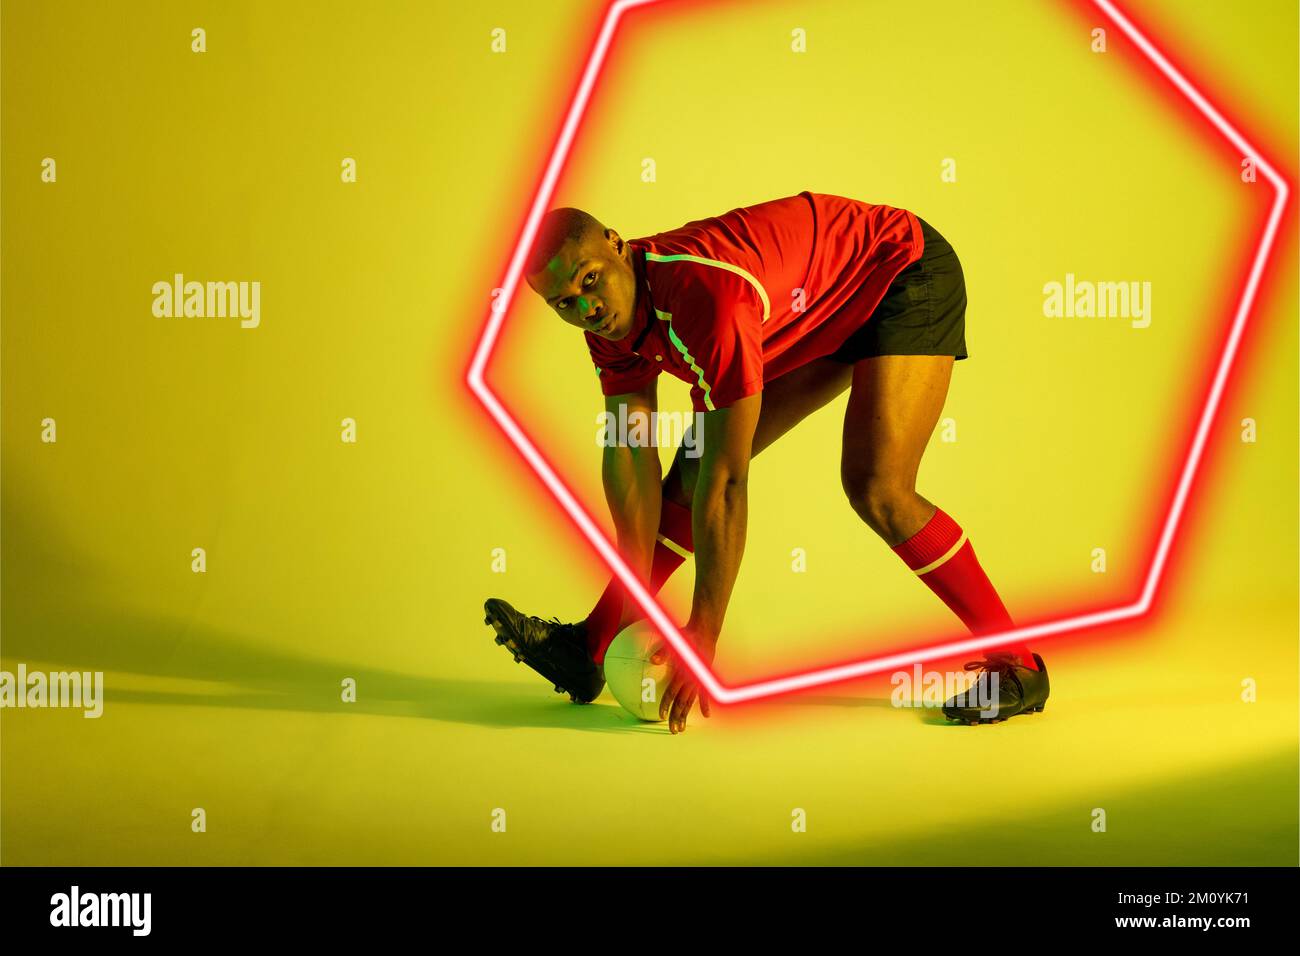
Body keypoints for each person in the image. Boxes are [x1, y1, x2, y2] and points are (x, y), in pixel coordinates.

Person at [485, 191, 1049, 733]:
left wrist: (703, 632)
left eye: (589, 281)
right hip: (814, 310)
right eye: (564, 303)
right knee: (688, 470)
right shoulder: (606, 327)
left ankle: (1018, 667)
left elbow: (728, 480)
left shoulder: (707, 298)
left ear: (615, 244)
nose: (587, 307)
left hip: (899, 271)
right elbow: (630, 457)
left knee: (877, 487)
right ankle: (593, 645)